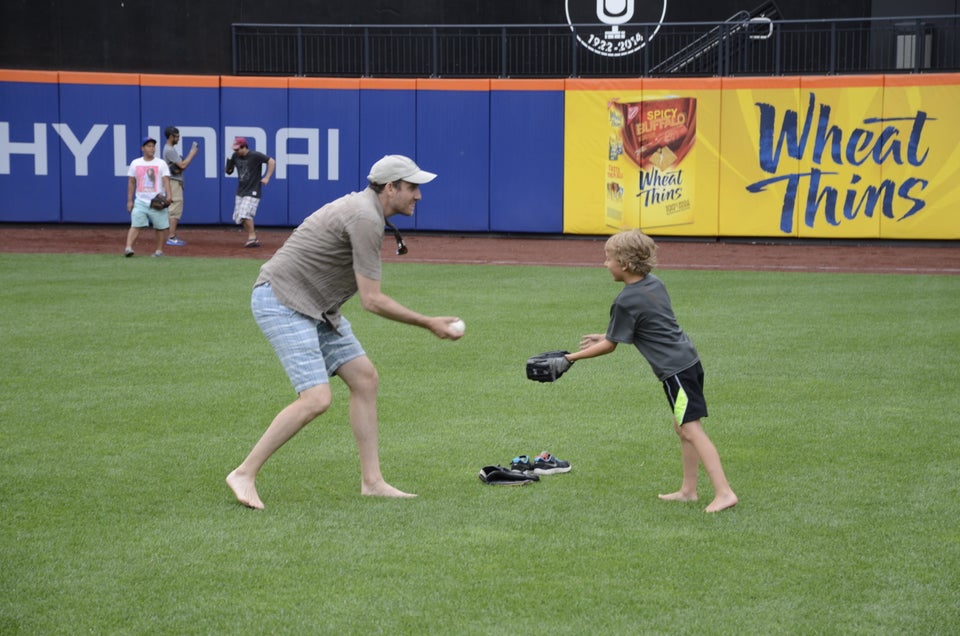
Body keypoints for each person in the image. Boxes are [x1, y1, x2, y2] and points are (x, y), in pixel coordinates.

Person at [226, 154, 464, 510]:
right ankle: (243, 473)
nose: (418, 196)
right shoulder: (365, 217)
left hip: (316, 306)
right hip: (283, 300)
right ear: (390, 188)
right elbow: (372, 300)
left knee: (365, 379)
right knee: (317, 399)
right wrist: (429, 322)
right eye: (412, 187)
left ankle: (373, 482)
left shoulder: (368, 211)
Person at [561, 229, 738, 513]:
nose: (605, 264)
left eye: (608, 259)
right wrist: (606, 335)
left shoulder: (625, 301)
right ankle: (688, 491)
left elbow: (610, 346)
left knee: (692, 430)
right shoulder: (654, 283)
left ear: (625, 264)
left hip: (675, 371)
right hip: (689, 361)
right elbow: (643, 326)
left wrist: (571, 357)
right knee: (682, 427)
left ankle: (724, 492)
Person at [124, 136, 172, 257]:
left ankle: (159, 251)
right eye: (149, 146)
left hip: (157, 201)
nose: (152, 148)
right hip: (140, 200)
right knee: (135, 224)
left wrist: (169, 195)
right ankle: (128, 248)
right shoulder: (135, 163)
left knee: (160, 227)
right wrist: (129, 201)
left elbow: (166, 180)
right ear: (143, 148)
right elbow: (131, 182)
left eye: (153, 146)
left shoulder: (161, 163)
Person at [225, 136, 275, 247]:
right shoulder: (235, 156)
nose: (235, 151)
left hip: (253, 190)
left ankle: (252, 238)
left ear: (244, 147)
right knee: (239, 218)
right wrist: (228, 167)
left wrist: (267, 177)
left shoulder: (255, 155)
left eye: (237, 149)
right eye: (234, 149)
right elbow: (229, 171)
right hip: (241, 190)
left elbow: (271, 161)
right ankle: (253, 239)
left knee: (244, 214)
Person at [162, 126, 199, 246]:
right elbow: (182, 165)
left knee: (175, 209)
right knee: (175, 209)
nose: (178, 138)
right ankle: (171, 237)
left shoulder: (170, 149)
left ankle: (171, 236)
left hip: (174, 181)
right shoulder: (169, 150)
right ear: (170, 137)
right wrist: (192, 153)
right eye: (176, 136)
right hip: (173, 182)